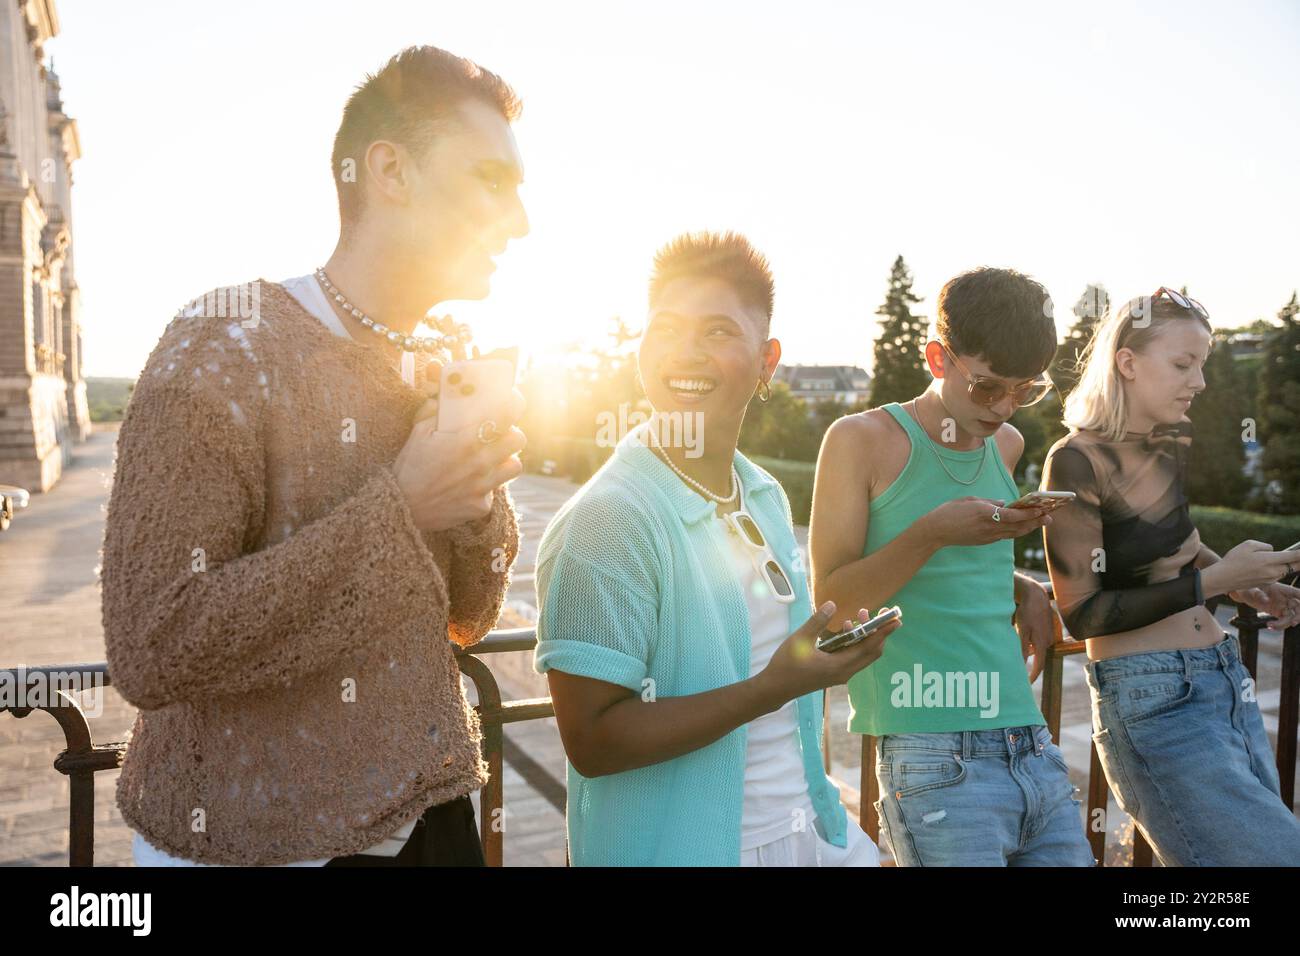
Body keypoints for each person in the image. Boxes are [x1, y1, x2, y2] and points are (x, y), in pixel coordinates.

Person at [103, 45, 529, 866]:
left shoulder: (446, 353)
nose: (520, 220)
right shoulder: (220, 346)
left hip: (435, 812)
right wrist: (405, 508)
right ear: (390, 172)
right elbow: (152, 646)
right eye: (491, 180)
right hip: (257, 843)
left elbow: (467, 615)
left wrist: (473, 495)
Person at [534, 232, 896, 866]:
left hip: (811, 831)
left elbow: (771, 657)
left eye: (718, 332)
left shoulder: (762, 495)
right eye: (666, 330)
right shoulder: (607, 519)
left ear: (768, 359)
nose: (685, 355)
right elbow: (592, 739)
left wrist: (814, 653)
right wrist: (775, 685)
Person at [811, 266, 1094, 866]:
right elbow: (832, 610)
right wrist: (933, 533)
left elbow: (963, 574)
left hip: (1029, 741)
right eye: (988, 386)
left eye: (1026, 390)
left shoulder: (1008, 445)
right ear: (938, 358)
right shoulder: (860, 439)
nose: (1005, 407)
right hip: (931, 750)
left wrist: (1019, 584)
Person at [1042, 288, 1300, 866]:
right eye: (1184, 364)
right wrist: (1217, 580)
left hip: (1222, 682)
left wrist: (1240, 580)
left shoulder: (1165, 445)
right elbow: (1082, 613)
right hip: (1156, 703)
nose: (1201, 381)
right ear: (1127, 363)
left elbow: (1173, 544)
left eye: (1202, 364)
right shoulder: (1074, 459)